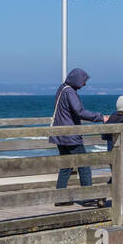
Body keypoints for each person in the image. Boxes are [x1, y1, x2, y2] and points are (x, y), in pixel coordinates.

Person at [49, 68, 109, 207]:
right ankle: (87, 197)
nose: (84, 84)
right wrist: (100, 117)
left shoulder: (62, 89)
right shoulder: (70, 92)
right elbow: (79, 111)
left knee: (66, 166)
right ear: (77, 80)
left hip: (60, 134)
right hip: (70, 135)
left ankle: (60, 198)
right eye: (83, 81)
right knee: (84, 164)